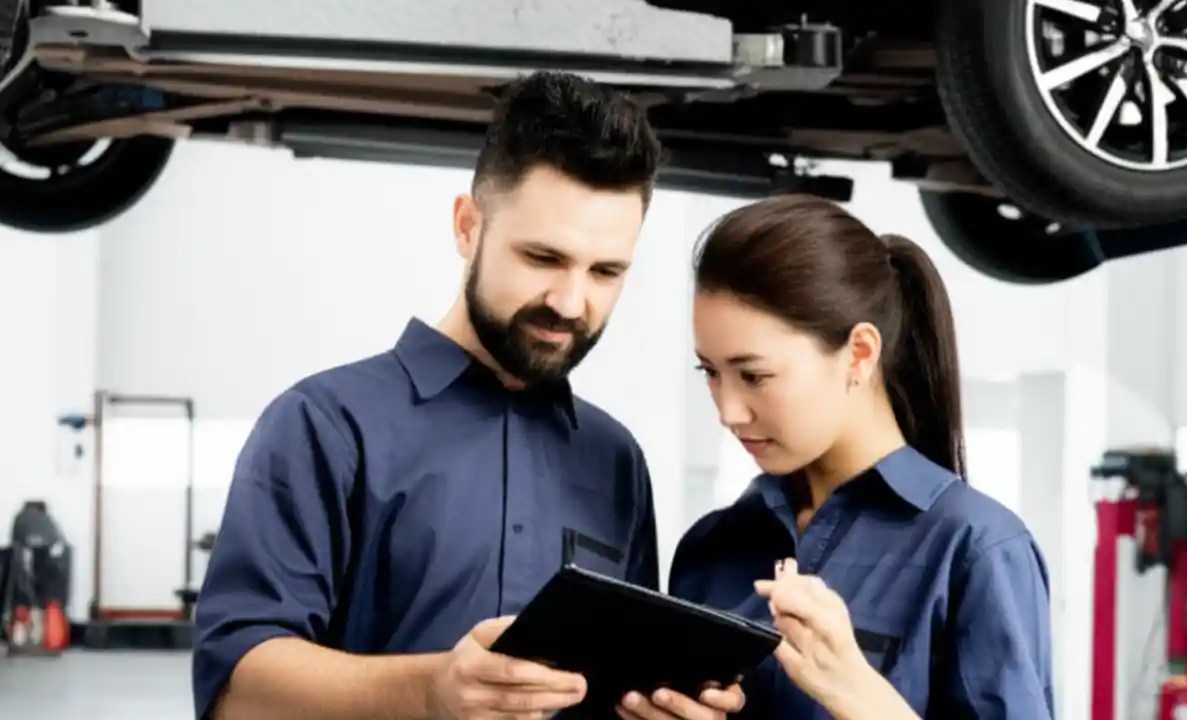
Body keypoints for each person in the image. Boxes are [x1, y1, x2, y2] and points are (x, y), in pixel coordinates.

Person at [192, 71, 741, 720]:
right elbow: (236, 689)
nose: (571, 302)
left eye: (605, 272)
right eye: (542, 257)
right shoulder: (326, 426)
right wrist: (429, 691)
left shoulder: (615, 460)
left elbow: (620, 683)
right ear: (467, 227)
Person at [641, 194, 1054, 719]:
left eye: (754, 376)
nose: (728, 410)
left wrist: (857, 692)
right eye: (710, 372)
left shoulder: (977, 549)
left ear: (859, 353)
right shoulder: (711, 549)